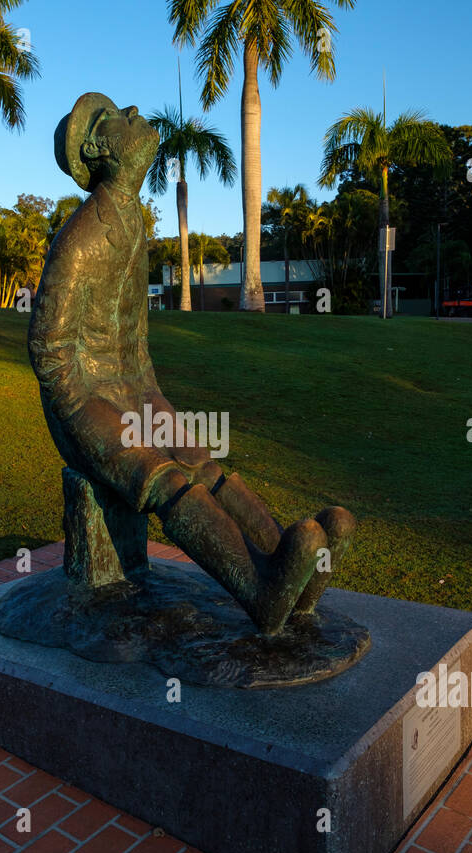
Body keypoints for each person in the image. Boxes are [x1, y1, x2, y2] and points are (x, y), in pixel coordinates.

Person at [29, 93, 356, 635]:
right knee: (165, 480)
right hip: (83, 402)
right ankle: (259, 591)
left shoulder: (131, 221)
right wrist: (90, 423)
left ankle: (291, 567)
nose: (133, 113)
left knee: (205, 464)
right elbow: (49, 348)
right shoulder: (81, 236)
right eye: (116, 117)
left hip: (135, 388)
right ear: (97, 148)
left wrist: (154, 403)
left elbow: (133, 336)